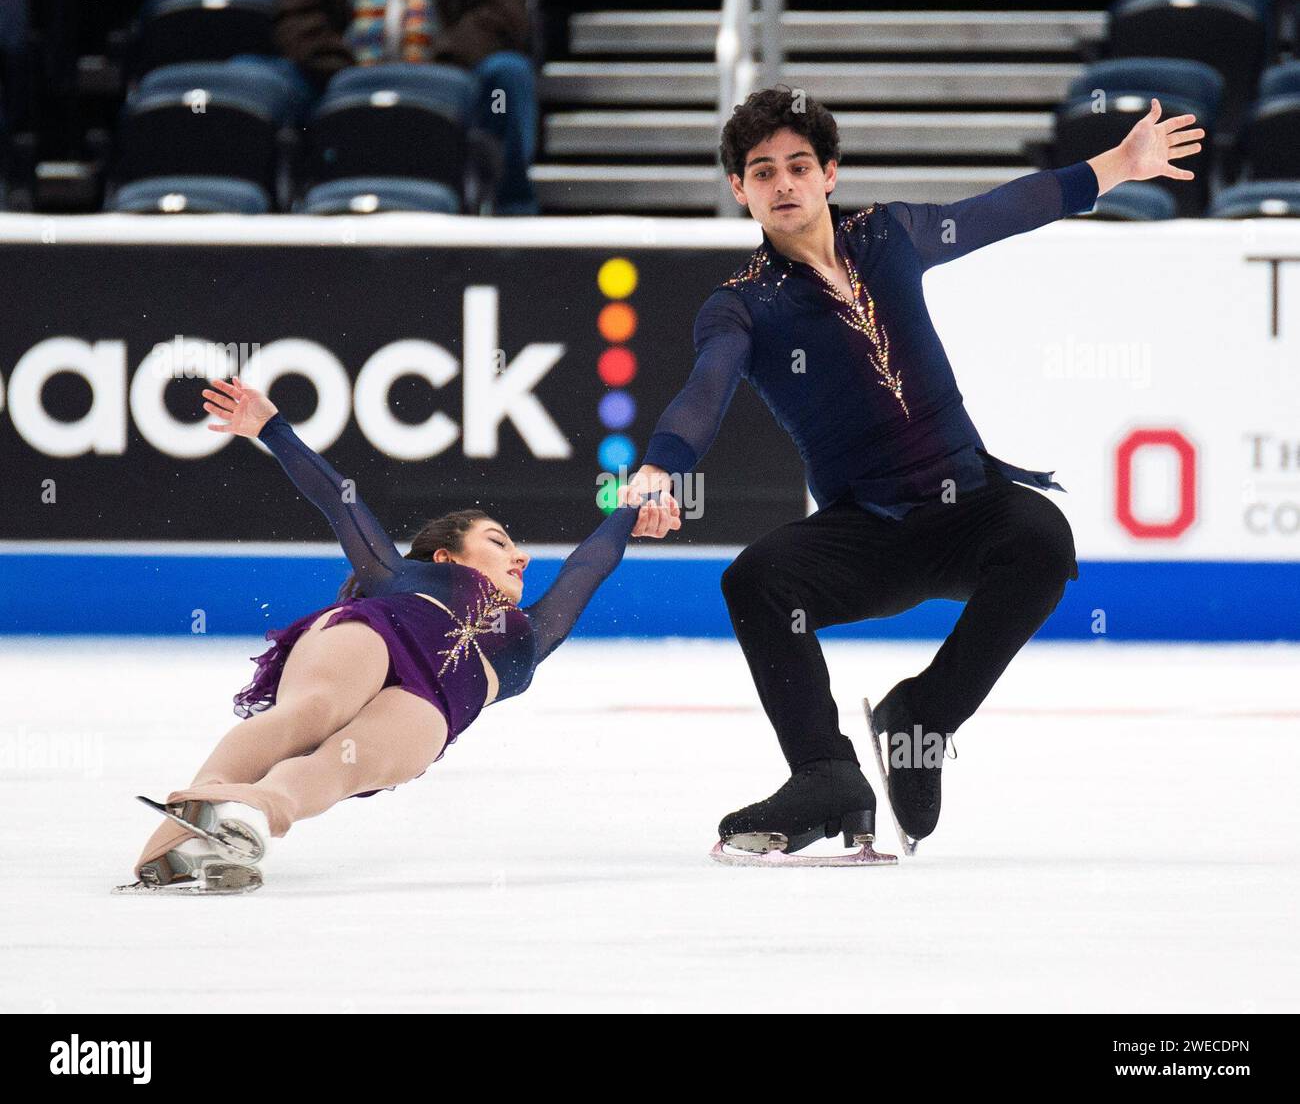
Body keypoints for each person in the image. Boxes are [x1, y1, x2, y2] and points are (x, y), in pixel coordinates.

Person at [619, 86, 1203, 857]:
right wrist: (662, 464)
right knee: (755, 580)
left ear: (830, 172)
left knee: (1041, 538)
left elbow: (1005, 207)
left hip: (970, 510)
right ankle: (826, 774)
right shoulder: (742, 307)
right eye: (763, 172)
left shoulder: (889, 236)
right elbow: (706, 387)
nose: (784, 184)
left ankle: (921, 716)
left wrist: (1116, 166)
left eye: (799, 165)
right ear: (740, 189)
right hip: (871, 536)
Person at [123, 376, 677, 893]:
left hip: (431, 704)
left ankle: (249, 815)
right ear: (446, 555)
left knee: (339, 765)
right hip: (374, 635)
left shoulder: (531, 633)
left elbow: (587, 567)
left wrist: (631, 512)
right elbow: (340, 499)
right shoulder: (404, 575)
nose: (520, 556)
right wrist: (272, 428)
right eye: (498, 541)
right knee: (311, 712)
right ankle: (183, 824)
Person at [272, 0, 541, 214]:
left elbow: (502, 15)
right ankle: (273, 208)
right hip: (341, 78)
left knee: (507, 78)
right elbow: (297, 14)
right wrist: (334, 64)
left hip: (455, 77)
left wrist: (443, 64)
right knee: (267, 81)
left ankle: (511, 207)